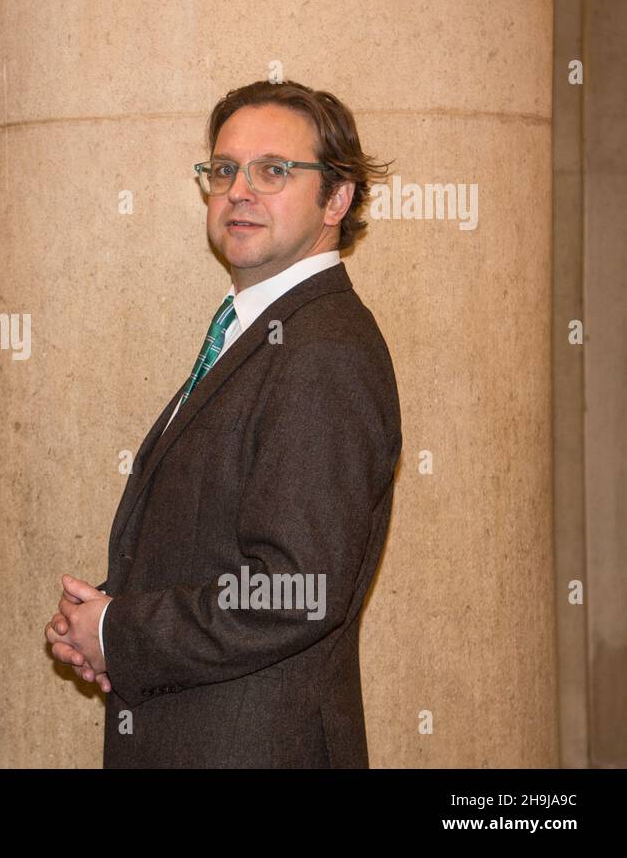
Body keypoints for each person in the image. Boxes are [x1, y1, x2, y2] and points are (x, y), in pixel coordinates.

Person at [44, 80, 402, 767]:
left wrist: (122, 630)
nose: (240, 189)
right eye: (224, 169)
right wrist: (109, 629)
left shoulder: (321, 350)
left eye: (274, 171)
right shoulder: (262, 333)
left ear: (337, 198)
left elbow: (297, 590)